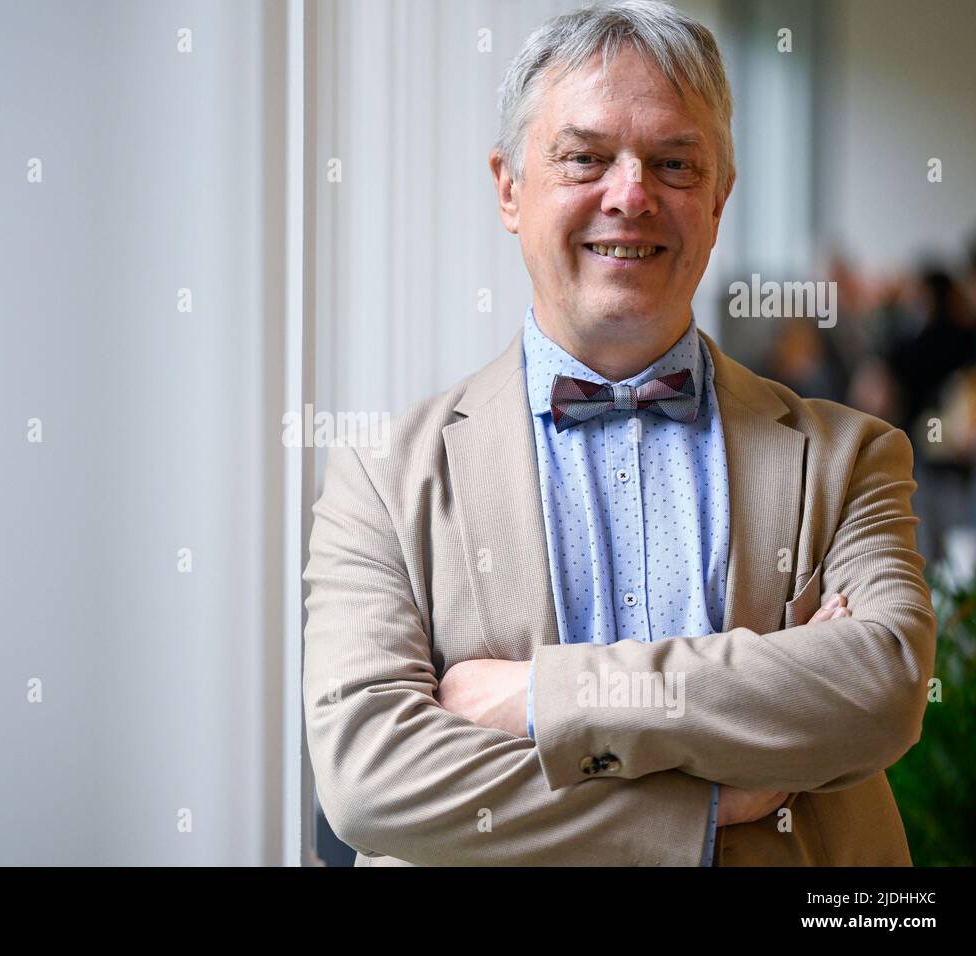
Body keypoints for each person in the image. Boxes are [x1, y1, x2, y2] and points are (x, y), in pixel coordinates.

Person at [302, 0, 936, 866]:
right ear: (509, 188)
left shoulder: (849, 457)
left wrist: (543, 698)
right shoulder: (382, 475)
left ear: (719, 197)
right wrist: (709, 807)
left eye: (674, 163)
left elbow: (882, 692)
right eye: (585, 158)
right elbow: (370, 778)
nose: (631, 194)